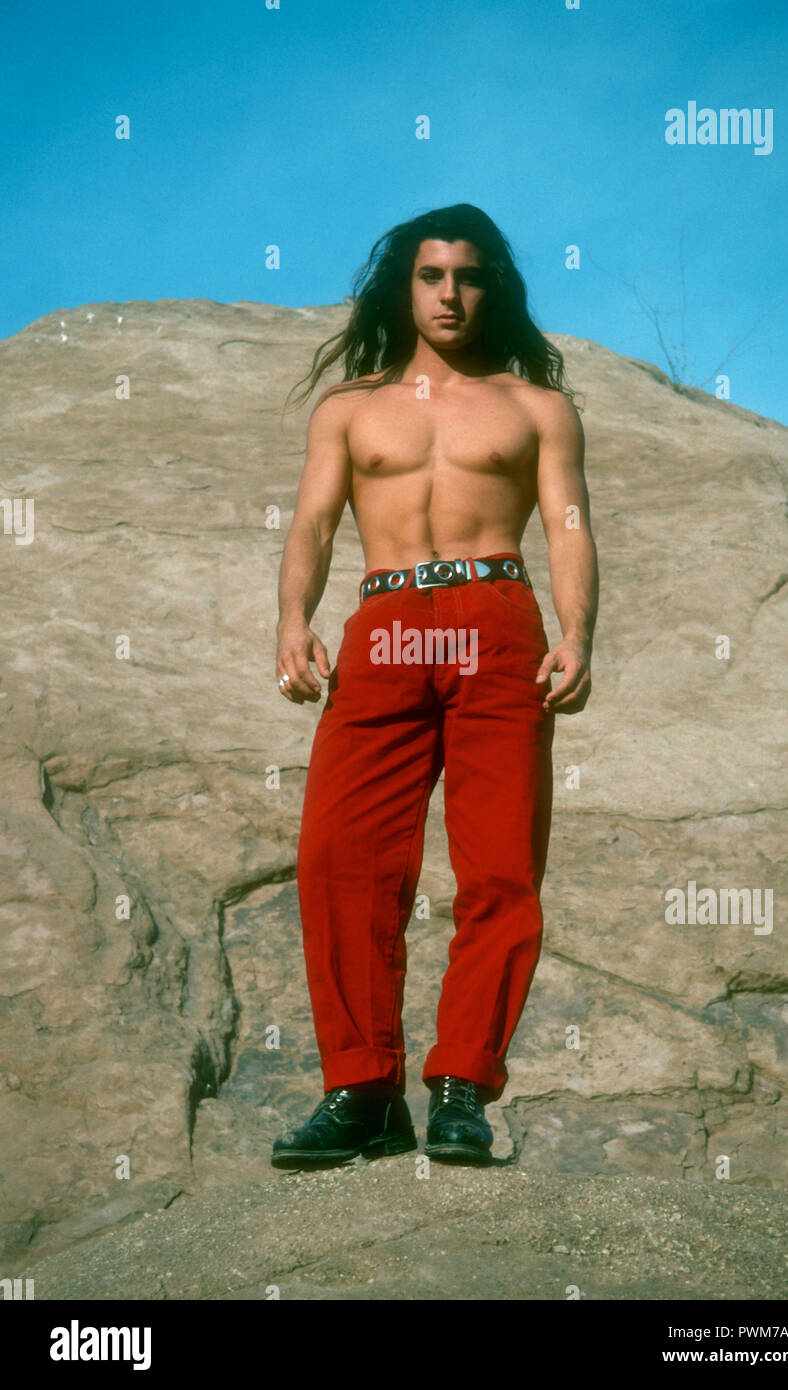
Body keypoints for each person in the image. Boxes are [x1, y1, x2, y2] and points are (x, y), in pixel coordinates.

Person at [270, 203, 598, 1169]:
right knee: (341, 859)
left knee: (498, 866)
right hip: (384, 624)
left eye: (467, 275)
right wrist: (293, 620)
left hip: (496, 618)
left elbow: (569, 526)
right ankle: (363, 1089)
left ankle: (462, 1087)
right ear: (403, 287)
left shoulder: (534, 406)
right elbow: (313, 527)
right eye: (430, 275)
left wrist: (577, 633)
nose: (449, 293)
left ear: (490, 285)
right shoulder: (350, 407)